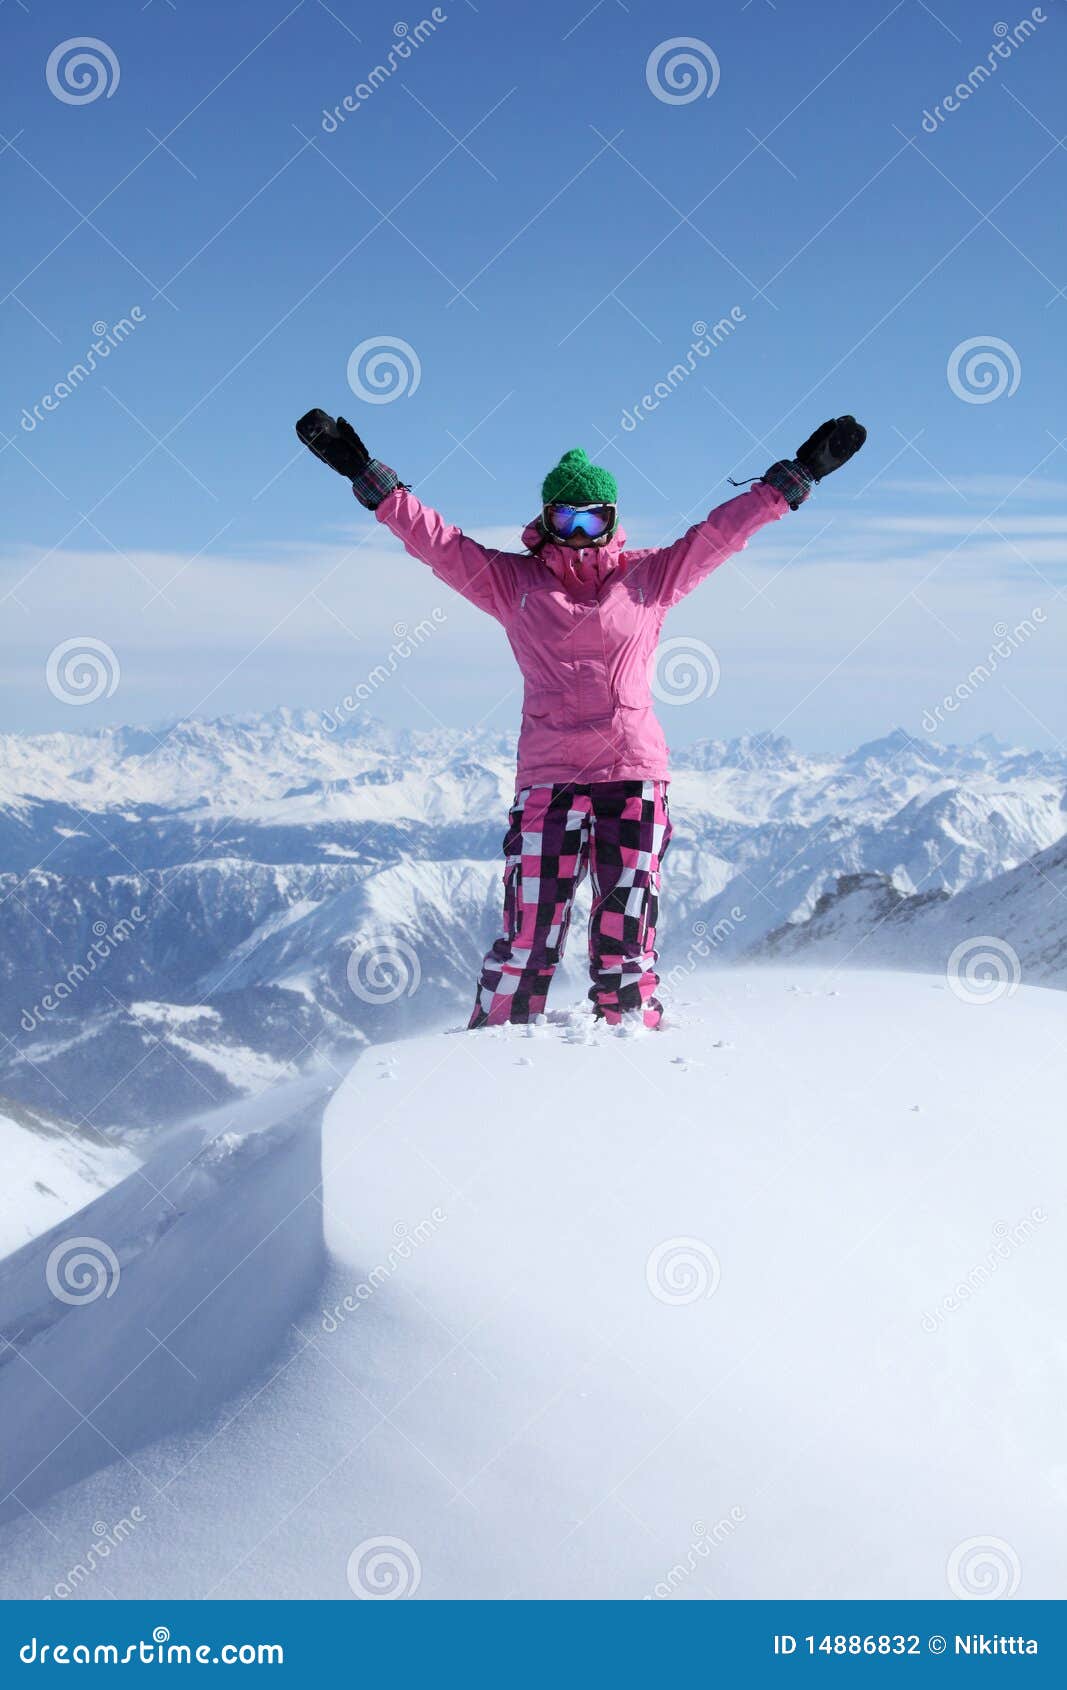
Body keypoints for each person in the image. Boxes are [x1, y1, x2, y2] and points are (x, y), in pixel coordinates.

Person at [296, 409, 866, 1029]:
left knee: (625, 947)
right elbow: (438, 543)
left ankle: (630, 1056)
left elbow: (720, 535)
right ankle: (492, 1061)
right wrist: (370, 478)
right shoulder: (510, 584)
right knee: (528, 939)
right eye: (564, 517)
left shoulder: (650, 578)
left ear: (613, 520)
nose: (578, 529)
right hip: (550, 781)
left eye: (592, 516)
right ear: (545, 522)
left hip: (633, 777)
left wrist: (797, 477)